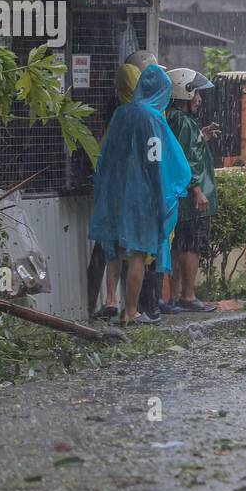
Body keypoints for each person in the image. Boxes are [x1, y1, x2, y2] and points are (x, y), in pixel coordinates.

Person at [89, 63, 191, 326]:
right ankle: (131, 311)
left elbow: (107, 154)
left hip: (117, 191)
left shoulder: (121, 114)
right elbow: (156, 161)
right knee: (138, 253)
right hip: (142, 195)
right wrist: (161, 195)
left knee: (117, 247)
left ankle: (112, 301)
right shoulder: (153, 118)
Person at [162, 67, 221, 313]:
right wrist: (197, 189)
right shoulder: (184, 122)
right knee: (192, 245)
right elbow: (188, 159)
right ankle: (188, 295)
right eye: (195, 92)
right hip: (192, 197)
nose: (199, 99)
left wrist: (201, 136)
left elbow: (183, 150)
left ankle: (175, 295)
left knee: (179, 245)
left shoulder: (173, 118)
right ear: (184, 93)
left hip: (179, 196)